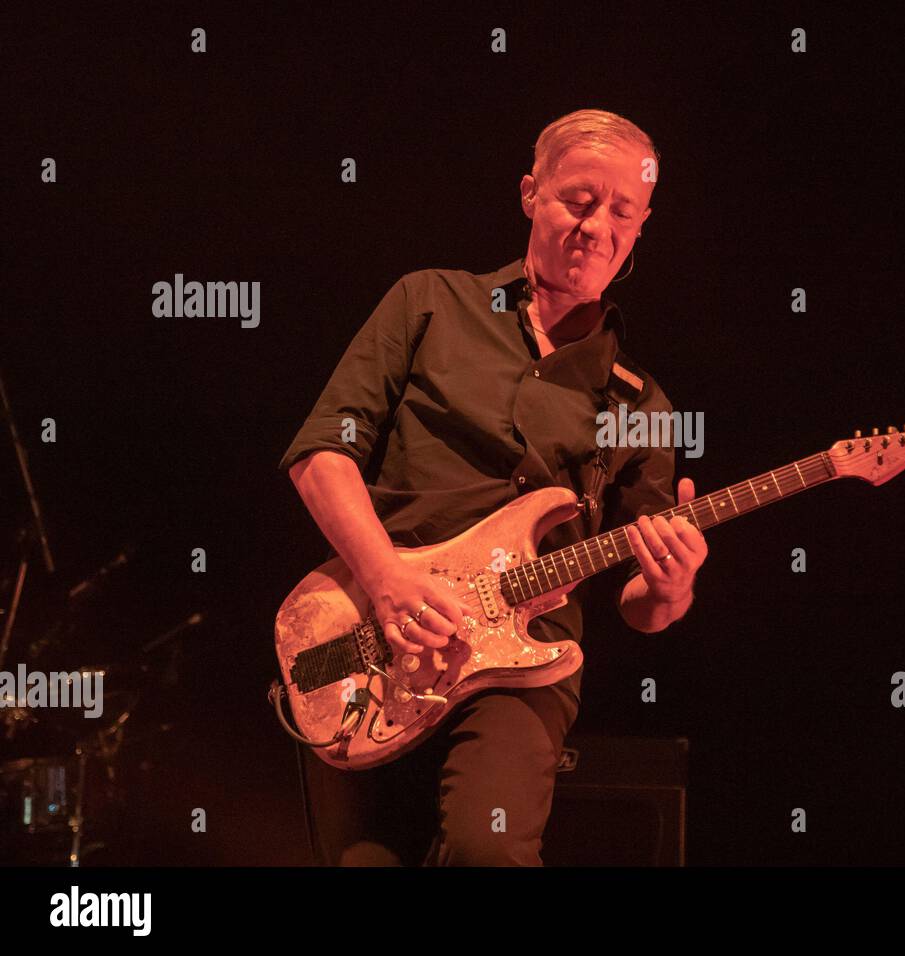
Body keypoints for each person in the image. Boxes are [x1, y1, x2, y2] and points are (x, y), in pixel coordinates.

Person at [278, 109, 707, 866]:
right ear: (529, 194)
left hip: (523, 662)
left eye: (623, 211)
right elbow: (321, 455)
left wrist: (673, 586)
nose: (597, 225)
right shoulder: (428, 302)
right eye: (579, 198)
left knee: (488, 849)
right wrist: (386, 581)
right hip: (370, 637)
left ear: (641, 228)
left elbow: (641, 606)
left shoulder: (640, 408)